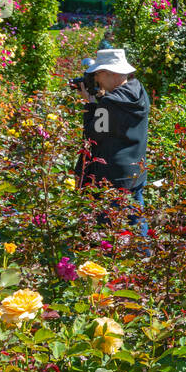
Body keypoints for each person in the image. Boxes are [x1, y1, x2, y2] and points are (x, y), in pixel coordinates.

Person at [76, 48, 150, 236]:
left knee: (108, 224)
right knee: (136, 218)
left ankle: (109, 256)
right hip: (136, 169)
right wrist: (100, 100)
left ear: (109, 73)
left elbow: (94, 134)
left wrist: (91, 105)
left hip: (113, 175)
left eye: (98, 75)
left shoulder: (110, 103)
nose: (97, 80)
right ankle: (143, 253)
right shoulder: (139, 92)